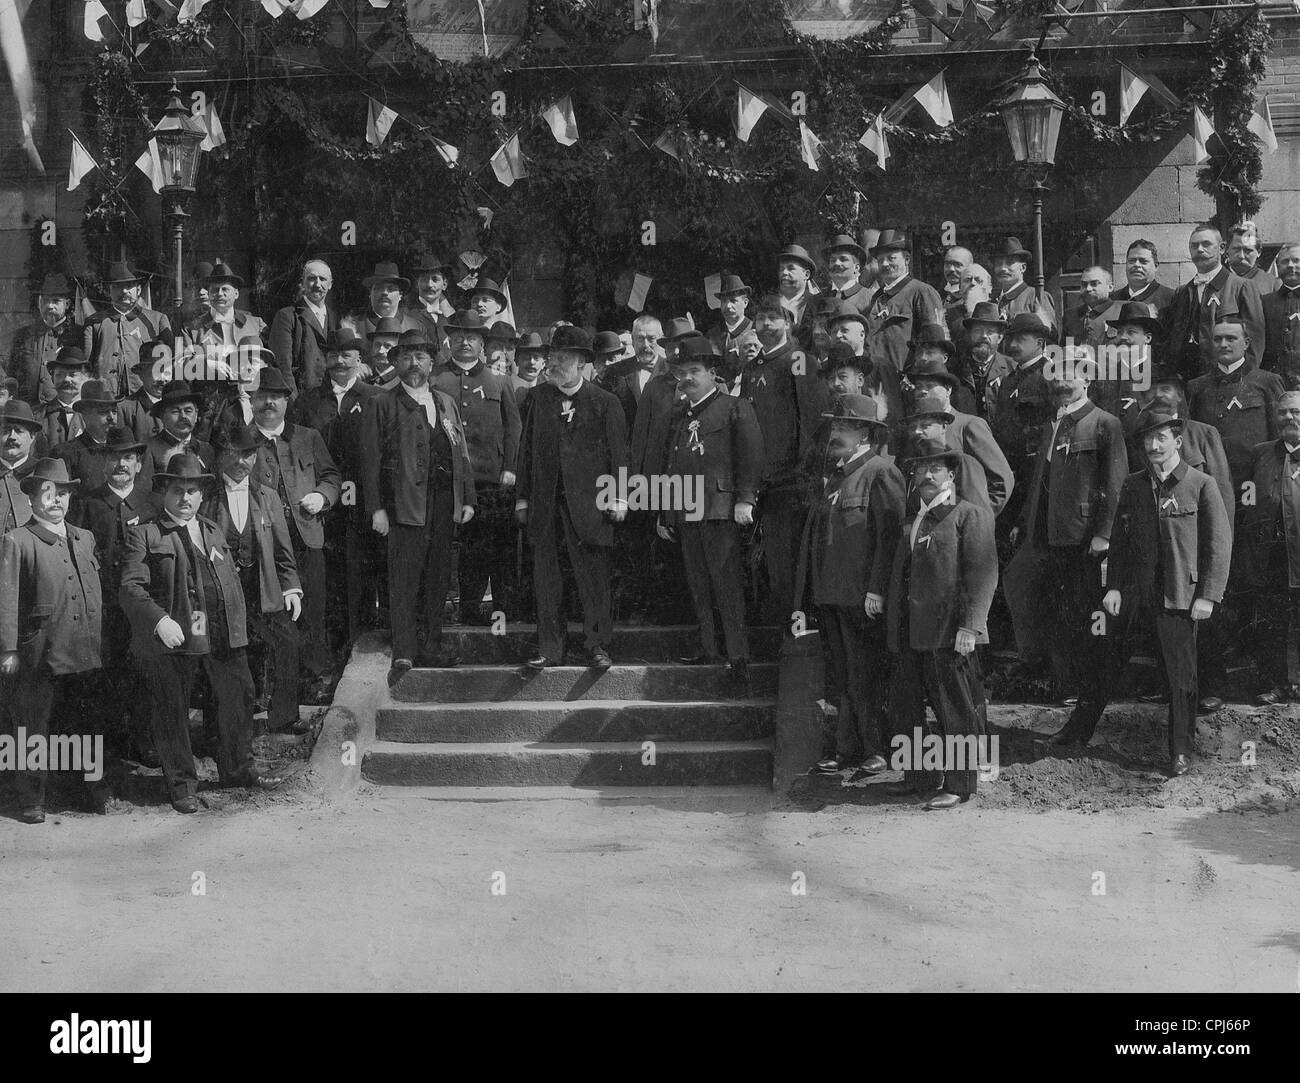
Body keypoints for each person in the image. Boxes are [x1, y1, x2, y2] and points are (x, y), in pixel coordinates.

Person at [1050, 407, 1230, 778]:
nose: (1153, 445)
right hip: (1133, 594)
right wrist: (1113, 585)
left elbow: (1218, 545)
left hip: (1179, 596)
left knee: (1181, 678)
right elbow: (1119, 540)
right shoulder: (1133, 485)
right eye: (1147, 439)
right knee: (1103, 665)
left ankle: (1181, 751)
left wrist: (1208, 595)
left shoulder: (1200, 484)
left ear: (1177, 441)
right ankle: (1076, 733)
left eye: (1161, 437)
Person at [119, 453, 281, 813]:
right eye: (178, 490)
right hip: (177, 634)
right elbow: (130, 588)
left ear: (202, 494)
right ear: (163, 492)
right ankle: (181, 785)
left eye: (193, 491)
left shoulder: (211, 529)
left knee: (237, 696)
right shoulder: (144, 534)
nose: (186, 498)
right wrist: (159, 620)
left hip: (222, 631)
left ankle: (237, 769)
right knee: (172, 708)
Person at [885, 438, 997, 809]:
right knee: (906, 706)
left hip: (949, 631)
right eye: (921, 468)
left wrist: (970, 627)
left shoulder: (969, 515)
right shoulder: (911, 518)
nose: (928, 474)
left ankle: (959, 785)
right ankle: (918, 776)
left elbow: (982, 577)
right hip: (909, 630)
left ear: (951, 474)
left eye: (936, 468)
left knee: (954, 708)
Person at [796, 394, 902, 782]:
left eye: (843, 426)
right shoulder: (838, 476)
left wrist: (877, 590)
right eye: (834, 426)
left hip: (862, 596)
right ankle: (846, 750)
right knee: (843, 675)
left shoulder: (880, 472)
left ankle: (876, 750)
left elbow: (889, 540)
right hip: (832, 595)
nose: (834, 433)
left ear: (865, 433)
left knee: (865, 674)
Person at [1005, 370, 1128, 699]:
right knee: (1035, 594)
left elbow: (1115, 484)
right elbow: (1040, 480)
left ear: (1086, 380)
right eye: (1055, 378)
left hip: (1081, 535)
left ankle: (1081, 686)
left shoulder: (1105, 423)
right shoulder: (1051, 425)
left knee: (1079, 610)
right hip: (1044, 533)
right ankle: (1052, 676)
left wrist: (1104, 533)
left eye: (1069, 377)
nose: (1061, 384)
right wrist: (1023, 520)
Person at [361, 342, 476, 684]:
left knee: (438, 574)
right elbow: (369, 463)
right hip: (402, 504)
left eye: (421, 357)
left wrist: (466, 498)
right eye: (406, 357)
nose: (414, 363)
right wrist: (377, 508)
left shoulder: (446, 402)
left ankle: (432, 644)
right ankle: (405, 650)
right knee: (405, 577)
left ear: (431, 362)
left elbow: (462, 453)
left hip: (442, 503)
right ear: (395, 362)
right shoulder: (381, 402)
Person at [514, 327, 626, 670]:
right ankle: (550, 648)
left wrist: (619, 498)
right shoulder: (538, 399)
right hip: (546, 506)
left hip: (591, 507)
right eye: (554, 358)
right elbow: (526, 451)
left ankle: (597, 647)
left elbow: (619, 454)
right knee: (547, 579)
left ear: (581, 364)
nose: (555, 364)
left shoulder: (605, 402)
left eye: (563, 358)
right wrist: (522, 499)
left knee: (592, 578)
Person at [0, 458, 104, 822]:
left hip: (82, 648)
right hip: (39, 651)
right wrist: (9, 649)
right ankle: (31, 798)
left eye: (62, 493)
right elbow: (8, 601)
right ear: (31, 498)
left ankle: (85, 791)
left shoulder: (84, 538)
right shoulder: (18, 541)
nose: (56, 500)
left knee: (82, 720)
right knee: (33, 725)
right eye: (47, 493)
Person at [657, 337, 762, 679]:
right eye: (682, 372)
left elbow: (750, 457)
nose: (687, 378)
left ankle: (738, 655)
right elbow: (673, 465)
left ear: (712, 373)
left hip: (720, 509)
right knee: (698, 585)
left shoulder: (735, 406)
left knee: (726, 584)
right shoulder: (680, 415)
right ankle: (709, 649)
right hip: (687, 510)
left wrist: (746, 499)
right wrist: (666, 512)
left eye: (695, 372)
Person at [203, 422, 305, 734]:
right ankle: (220, 726)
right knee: (223, 655)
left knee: (288, 640)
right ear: (221, 456)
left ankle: (284, 716)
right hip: (222, 596)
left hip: (261, 591)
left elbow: (283, 551)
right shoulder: (206, 498)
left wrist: (291, 588)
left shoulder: (267, 496)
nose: (241, 461)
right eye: (233, 454)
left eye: (247, 454)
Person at [250, 366, 341, 701]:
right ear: (251, 400)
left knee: (314, 611)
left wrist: (322, 496)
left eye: (275, 396)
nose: (269, 403)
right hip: (265, 544)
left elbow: (331, 476)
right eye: (261, 396)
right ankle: (273, 691)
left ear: (287, 401)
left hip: (306, 538)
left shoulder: (308, 437)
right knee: (272, 617)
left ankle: (316, 681)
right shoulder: (243, 440)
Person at [70, 425, 158, 768]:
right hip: (102, 607)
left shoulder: (150, 503)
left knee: (144, 672)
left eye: (128, 458)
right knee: (106, 673)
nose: (121, 464)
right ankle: (107, 745)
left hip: (142, 607)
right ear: (103, 462)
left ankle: (144, 739)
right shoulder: (88, 504)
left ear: (138, 464)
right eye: (114, 457)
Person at [740, 294, 832, 623]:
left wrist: (804, 473)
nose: (765, 325)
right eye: (760, 318)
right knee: (767, 567)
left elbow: (812, 423)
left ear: (788, 323)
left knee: (790, 566)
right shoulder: (752, 368)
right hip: (759, 483)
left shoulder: (798, 359)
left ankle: (794, 639)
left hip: (791, 485)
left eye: (773, 318)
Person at [290, 328, 382, 648]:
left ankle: (361, 644)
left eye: (346, 355)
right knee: (325, 577)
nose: (339, 361)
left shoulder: (374, 397)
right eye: (333, 355)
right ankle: (328, 649)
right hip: (319, 500)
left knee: (360, 573)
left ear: (359, 359)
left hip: (361, 501)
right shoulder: (308, 400)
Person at [433, 310, 521, 625]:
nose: (465, 342)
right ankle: (468, 609)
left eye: (471, 336)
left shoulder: (498, 379)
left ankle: (504, 612)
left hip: (491, 478)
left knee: (497, 548)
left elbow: (513, 427)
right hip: (449, 479)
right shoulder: (436, 378)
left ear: (482, 342)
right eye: (458, 336)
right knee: (464, 550)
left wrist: (509, 466)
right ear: (449, 340)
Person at [901, 356, 1013, 516]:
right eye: (918, 386)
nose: (923, 391)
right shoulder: (916, 431)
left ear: (948, 390)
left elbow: (1002, 478)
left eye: (930, 386)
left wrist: (978, 517)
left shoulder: (969, 425)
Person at [1243, 392, 1300, 705]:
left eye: (1295, 412)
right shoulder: (1261, 454)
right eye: (1283, 413)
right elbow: (1246, 499)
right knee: (1270, 623)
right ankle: (1274, 683)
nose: (1289, 418)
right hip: (1271, 555)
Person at [1163, 224, 1266, 379]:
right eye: (1194, 246)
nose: (1199, 250)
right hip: (1187, 384)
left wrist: (1241, 382)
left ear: (1222, 248)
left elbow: (1255, 344)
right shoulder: (1182, 292)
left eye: (1206, 244)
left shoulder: (1242, 287)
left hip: (1226, 380)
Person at [987, 313, 1055, 531]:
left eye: (1021, 340)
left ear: (1040, 343)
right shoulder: (1007, 381)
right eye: (1011, 339)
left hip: (1038, 469)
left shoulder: (1051, 376)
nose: (1013, 345)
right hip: (1009, 468)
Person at [83, 261, 172, 398]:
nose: (124, 291)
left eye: (129, 286)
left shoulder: (157, 320)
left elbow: (169, 364)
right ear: (109, 291)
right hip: (106, 397)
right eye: (118, 287)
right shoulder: (95, 322)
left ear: (138, 289)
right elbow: (86, 364)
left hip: (146, 396)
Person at [864, 229, 944, 373]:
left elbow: (934, 343)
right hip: (875, 380)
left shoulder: (922, 292)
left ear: (907, 259)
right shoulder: (877, 297)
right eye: (881, 260)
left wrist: (917, 377)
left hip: (906, 382)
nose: (885, 264)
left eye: (891, 258)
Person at [7, 272, 81, 406]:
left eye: (56, 301)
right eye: (45, 300)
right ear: (39, 302)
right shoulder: (23, 336)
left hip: (61, 412)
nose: (50, 306)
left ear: (67, 304)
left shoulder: (77, 336)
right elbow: (11, 373)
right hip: (28, 410)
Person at [268, 258, 338, 394]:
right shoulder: (287, 316)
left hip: (330, 399)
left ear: (330, 284)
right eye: (312, 278)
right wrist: (294, 404)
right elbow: (283, 367)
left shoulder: (335, 317)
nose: (317, 284)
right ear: (303, 282)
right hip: (301, 400)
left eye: (323, 279)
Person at [184, 261, 266, 361]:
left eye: (225, 289)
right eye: (215, 290)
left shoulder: (256, 325)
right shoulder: (192, 330)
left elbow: (270, 361)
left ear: (236, 294)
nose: (219, 294)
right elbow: (181, 364)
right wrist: (207, 364)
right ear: (209, 294)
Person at [52, 379, 119, 493]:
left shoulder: (126, 451)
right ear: (85, 415)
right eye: (103, 412)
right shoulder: (66, 453)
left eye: (114, 411)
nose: (111, 417)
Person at [990, 236, 1057, 340]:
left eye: (1009, 263)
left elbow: (1050, 338)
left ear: (1023, 268)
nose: (1003, 268)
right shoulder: (993, 300)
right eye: (999, 263)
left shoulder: (1037, 296)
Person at [144, 380, 212, 478]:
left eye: (188, 411)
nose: (183, 416)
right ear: (162, 416)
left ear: (196, 415)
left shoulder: (207, 449)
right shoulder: (148, 450)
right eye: (175, 411)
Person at [954, 300, 1009, 418]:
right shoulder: (954, 368)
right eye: (978, 331)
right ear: (969, 335)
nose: (984, 336)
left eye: (990, 332)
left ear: (999, 338)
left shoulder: (1011, 369)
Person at [346, 261, 421, 339]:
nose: (384, 292)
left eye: (391, 289)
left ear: (400, 295)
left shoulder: (415, 326)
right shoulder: (351, 325)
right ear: (370, 293)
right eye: (378, 288)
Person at [1261, 241, 1300, 385]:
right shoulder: (1265, 302)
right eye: (1285, 261)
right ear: (1277, 267)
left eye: (1296, 260)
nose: (1290, 265)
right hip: (1274, 384)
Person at [40, 346, 92, 451]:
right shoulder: (39, 415)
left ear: (86, 378)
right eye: (60, 375)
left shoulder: (95, 415)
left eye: (72, 374)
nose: (66, 379)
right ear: (52, 378)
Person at [1, 400, 40, 533]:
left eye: (19, 431)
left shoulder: (42, 473)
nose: (12, 437)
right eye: (6, 430)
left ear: (32, 436)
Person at [117, 341, 168, 443]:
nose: (162, 379)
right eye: (156, 372)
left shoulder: (177, 405)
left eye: (166, 372)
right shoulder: (125, 409)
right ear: (141, 375)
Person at [707, 275, 755, 380]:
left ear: (745, 303)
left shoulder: (755, 331)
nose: (728, 306)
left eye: (733, 301)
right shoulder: (713, 335)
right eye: (724, 301)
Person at [1111, 239, 1175, 316]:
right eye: (1132, 261)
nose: (1137, 265)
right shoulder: (1112, 300)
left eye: (1143, 261)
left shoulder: (1171, 299)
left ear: (1156, 266)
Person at [406, 252, 455, 348]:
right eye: (424, 279)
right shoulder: (409, 316)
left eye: (435, 279)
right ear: (417, 284)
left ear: (444, 285)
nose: (429, 285)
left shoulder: (450, 319)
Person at [824, 234, 872, 315]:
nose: (837, 263)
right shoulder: (816, 300)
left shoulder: (869, 298)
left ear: (856, 268)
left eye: (843, 259)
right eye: (833, 260)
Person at [1227, 223, 1277, 292]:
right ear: (1227, 249)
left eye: (1248, 251)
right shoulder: (1215, 281)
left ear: (1259, 252)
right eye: (1236, 249)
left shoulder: (1272, 285)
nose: (1241, 256)